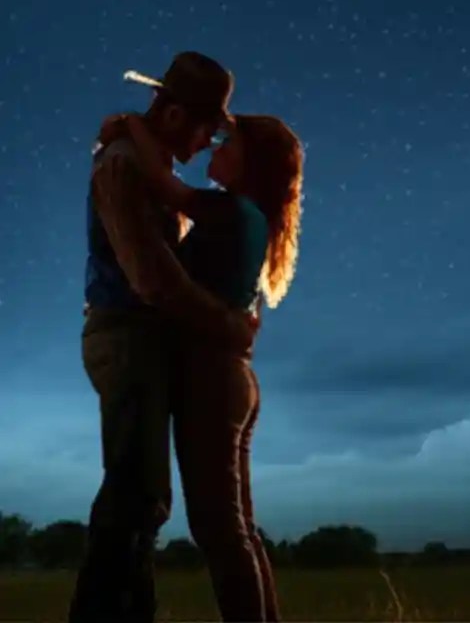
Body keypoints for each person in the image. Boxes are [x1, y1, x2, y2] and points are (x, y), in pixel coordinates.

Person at [95, 110, 304, 622]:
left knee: (220, 530)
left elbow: (166, 186)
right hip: (232, 377)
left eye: (226, 143)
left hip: (212, 378)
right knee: (238, 527)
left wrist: (130, 126)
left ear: (250, 161)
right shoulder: (249, 216)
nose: (214, 150)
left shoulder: (229, 210)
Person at [70, 51, 257, 623]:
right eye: (207, 130)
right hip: (127, 338)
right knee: (135, 495)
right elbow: (153, 280)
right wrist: (225, 323)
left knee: (143, 498)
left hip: (145, 341)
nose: (206, 145)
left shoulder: (150, 166)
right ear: (175, 116)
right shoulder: (126, 165)